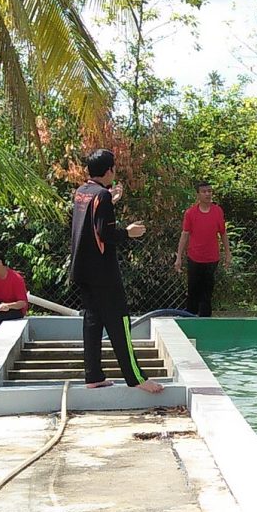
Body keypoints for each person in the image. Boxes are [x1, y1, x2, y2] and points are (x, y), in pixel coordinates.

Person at [70, 149, 165, 392]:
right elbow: (104, 233)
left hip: (82, 270)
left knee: (92, 323)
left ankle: (93, 376)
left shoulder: (82, 193)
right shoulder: (101, 196)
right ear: (109, 170)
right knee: (120, 322)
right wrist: (129, 232)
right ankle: (136, 378)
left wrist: (110, 200)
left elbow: (93, 217)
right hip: (103, 274)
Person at [175, 181, 231, 317]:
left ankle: (205, 321)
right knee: (193, 291)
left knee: (207, 293)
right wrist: (178, 257)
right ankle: (190, 318)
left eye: (209, 191)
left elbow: (223, 233)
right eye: (204, 192)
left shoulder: (217, 211)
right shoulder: (191, 213)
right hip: (194, 257)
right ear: (198, 194)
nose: (207, 194)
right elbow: (185, 234)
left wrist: (228, 254)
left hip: (212, 258)